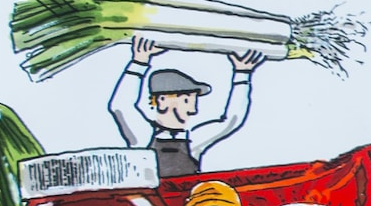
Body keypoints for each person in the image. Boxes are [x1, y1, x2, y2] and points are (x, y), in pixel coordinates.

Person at [111, 37, 260, 177]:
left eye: (193, 96)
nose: (193, 100)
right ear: (162, 100)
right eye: (185, 97)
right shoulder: (143, 135)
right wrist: (139, 62)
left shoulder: (193, 140)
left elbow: (231, 121)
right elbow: (120, 105)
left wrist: (242, 73)